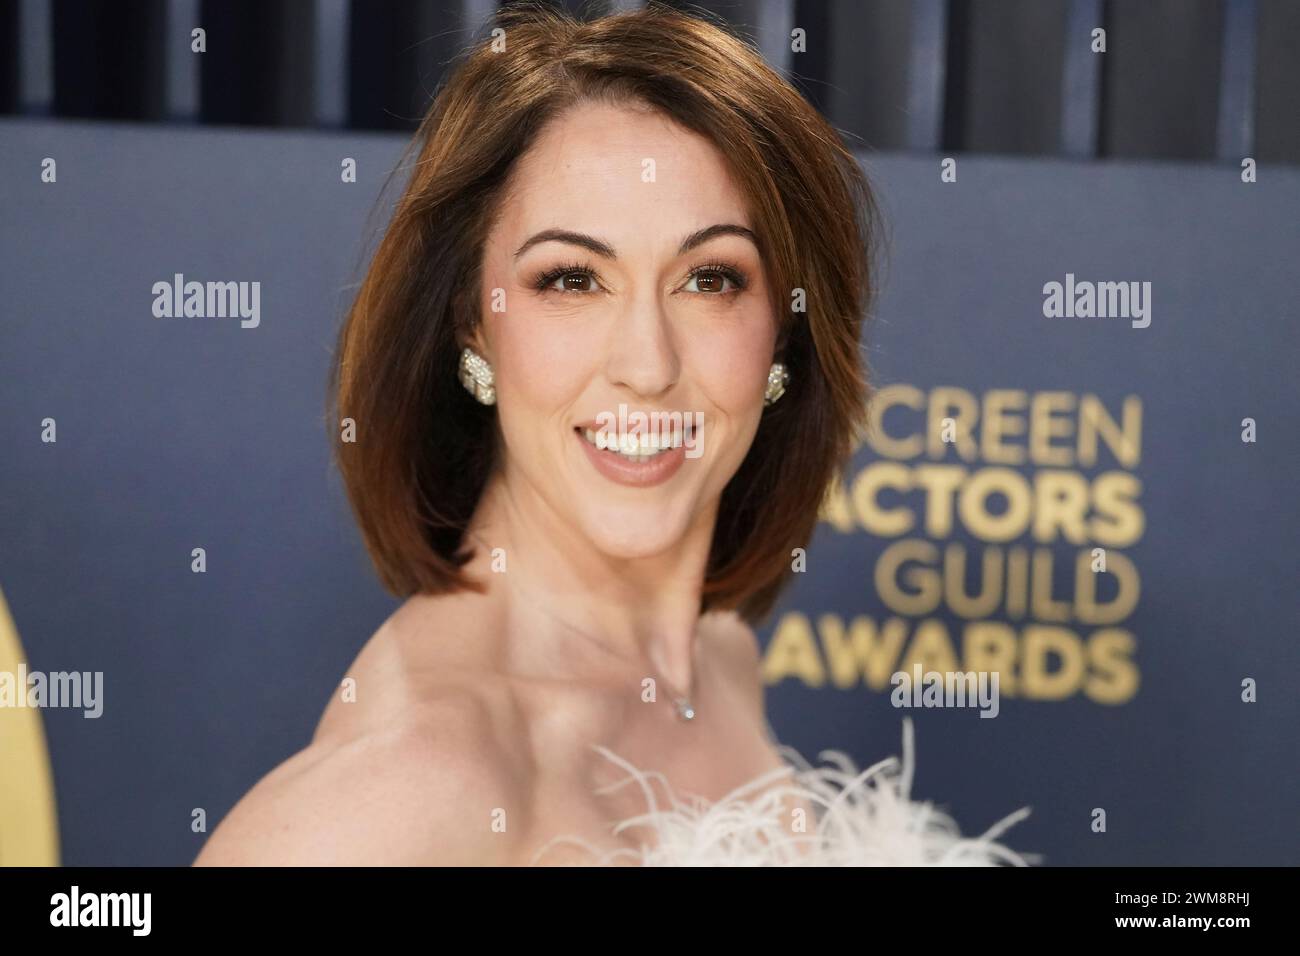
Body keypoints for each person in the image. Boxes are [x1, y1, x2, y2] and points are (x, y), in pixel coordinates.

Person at [194, 2, 1027, 867]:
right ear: (471, 325)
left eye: (709, 278)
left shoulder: (720, 656)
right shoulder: (413, 781)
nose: (647, 362)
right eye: (571, 279)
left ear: (785, 325)